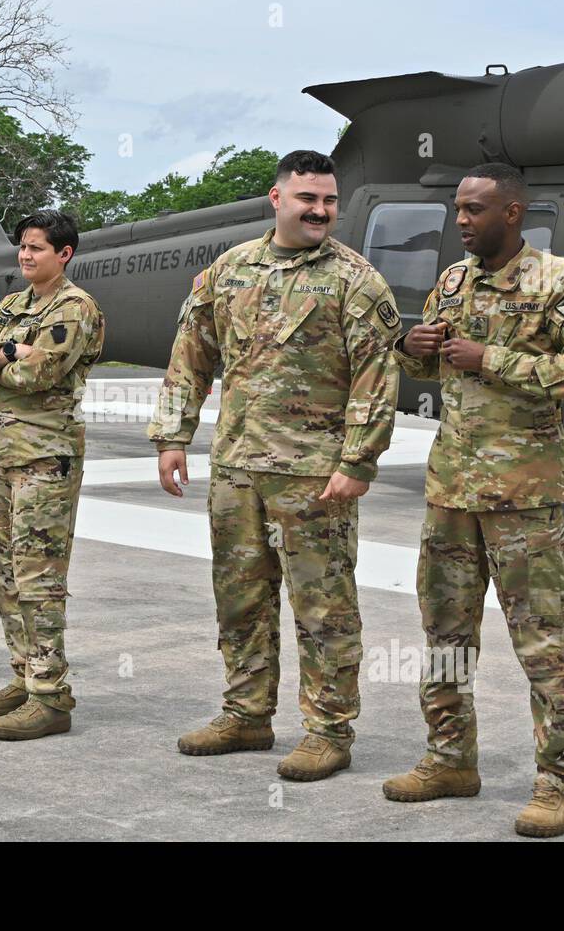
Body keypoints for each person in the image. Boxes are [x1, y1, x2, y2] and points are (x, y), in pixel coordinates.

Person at [148, 150, 402, 781]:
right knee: (239, 600)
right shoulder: (230, 271)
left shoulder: (356, 280)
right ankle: (246, 713)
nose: (319, 211)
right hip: (237, 467)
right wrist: (172, 435)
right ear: (277, 199)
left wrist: (358, 460)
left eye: (329, 201)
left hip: (314, 476)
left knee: (323, 608)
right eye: (307, 199)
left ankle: (328, 731)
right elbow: (190, 356)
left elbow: (378, 376)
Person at [383, 162, 564, 837]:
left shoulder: (560, 281)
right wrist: (412, 347)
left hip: (523, 494)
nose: (460, 220)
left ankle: (558, 785)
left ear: (511, 214)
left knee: (545, 644)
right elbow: (435, 360)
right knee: (446, 634)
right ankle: (450, 759)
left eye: (474, 210)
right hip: (451, 489)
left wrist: (496, 360)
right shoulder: (451, 280)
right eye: (458, 208)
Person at [0, 210, 104, 740]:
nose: (24, 255)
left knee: (38, 578)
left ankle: (51, 695)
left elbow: (39, 374)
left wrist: (3, 355)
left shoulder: (75, 308)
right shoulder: (16, 303)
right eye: (22, 247)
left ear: (63, 254)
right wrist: (7, 351)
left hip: (45, 459)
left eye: (37, 248)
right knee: (2, 569)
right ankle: (24, 674)